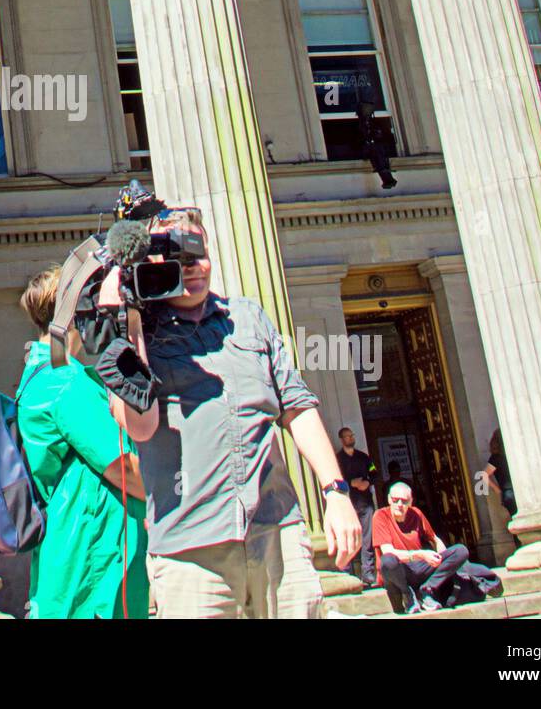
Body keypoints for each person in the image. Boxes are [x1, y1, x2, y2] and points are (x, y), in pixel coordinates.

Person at [100, 206, 362, 619]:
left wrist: (336, 493)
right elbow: (140, 426)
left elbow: (296, 406)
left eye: (198, 253)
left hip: (277, 529)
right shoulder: (141, 332)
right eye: (178, 259)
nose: (193, 268)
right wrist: (126, 321)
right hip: (191, 546)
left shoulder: (248, 318)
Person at [15, 266, 148, 619]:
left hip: (72, 554)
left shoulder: (40, 374)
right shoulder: (65, 382)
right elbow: (125, 467)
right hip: (93, 561)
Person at [372, 482, 469, 614]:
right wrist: (421, 554)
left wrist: (443, 560)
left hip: (420, 568)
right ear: (389, 499)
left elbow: (434, 539)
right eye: (395, 500)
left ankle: (427, 589)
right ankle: (408, 594)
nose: (399, 504)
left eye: (404, 501)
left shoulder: (416, 513)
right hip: (399, 571)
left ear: (411, 501)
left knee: (460, 551)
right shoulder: (380, 516)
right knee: (388, 560)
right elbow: (388, 552)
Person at [337, 426, 378, 587]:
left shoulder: (363, 457)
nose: (350, 438)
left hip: (365, 502)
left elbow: (374, 472)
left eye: (351, 435)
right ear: (342, 439)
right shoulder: (338, 459)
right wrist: (350, 483)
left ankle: (368, 574)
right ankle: (349, 574)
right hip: (349, 504)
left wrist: (367, 482)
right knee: (350, 538)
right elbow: (335, 479)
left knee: (368, 539)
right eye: (347, 436)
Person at [486, 429, 517, 518]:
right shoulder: (496, 458)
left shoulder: (508, 454)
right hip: (510, 492)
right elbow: (484, 475)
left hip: (513, 491)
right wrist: (498, 490)